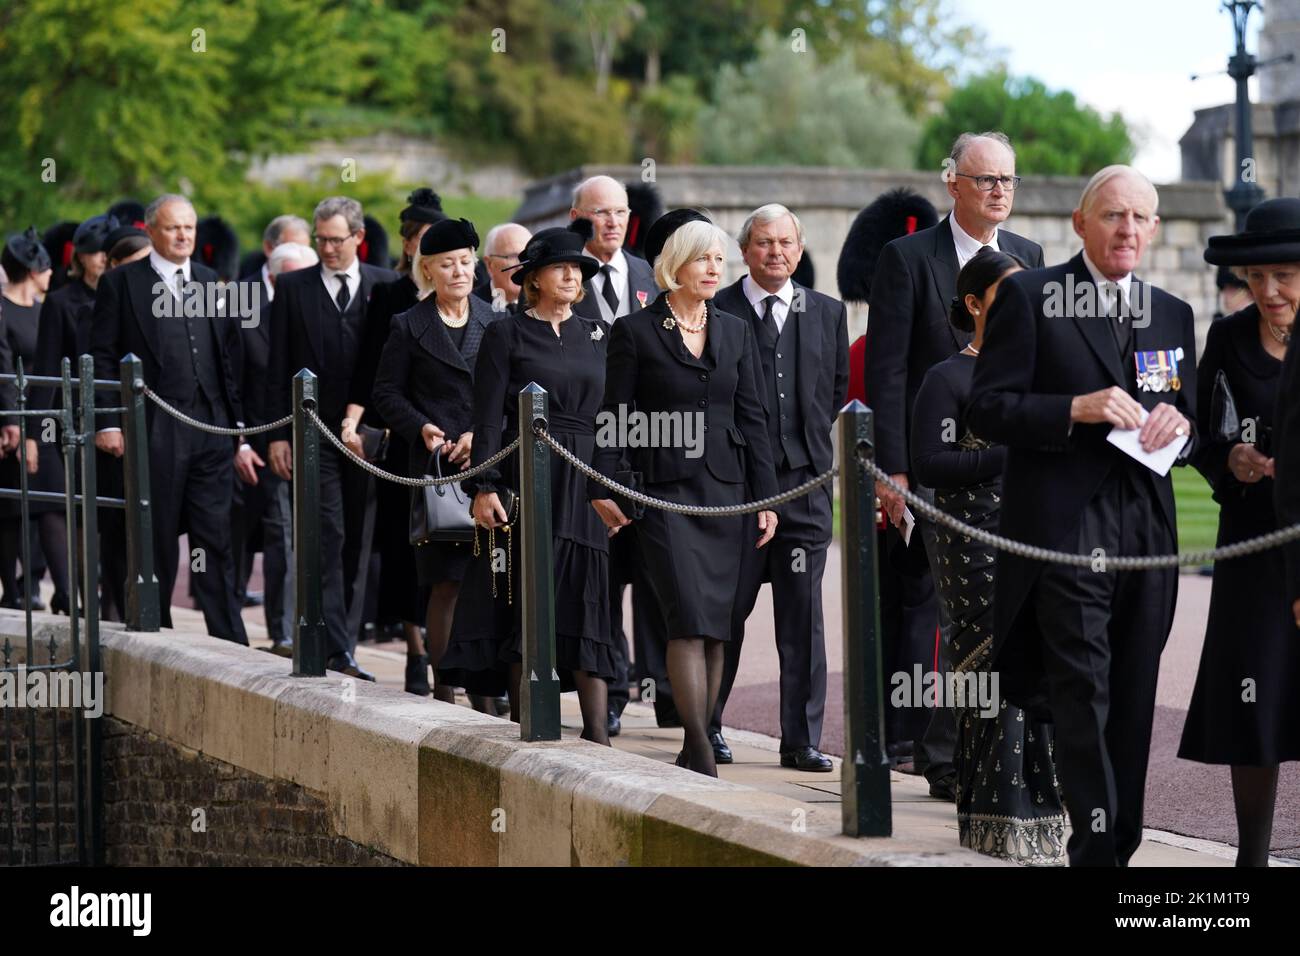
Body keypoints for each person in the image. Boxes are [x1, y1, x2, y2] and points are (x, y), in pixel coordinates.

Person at [968, 165, 1198, 867]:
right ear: (1080, 222)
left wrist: (1181, 432)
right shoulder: (1032, 297)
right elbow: (986, 408)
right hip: (1066, 529)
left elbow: (1185, 426)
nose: (1127, 229)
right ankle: (1096, 849)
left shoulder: (1171, 312)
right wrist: (1076, 407)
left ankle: (1117, 849)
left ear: (1155, 229)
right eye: (1112, 215)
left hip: (1148, 529)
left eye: (1140, 218)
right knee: (1084, 689)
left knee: (1132, 691)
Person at [866, 131, 1045, 800]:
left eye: (1008, 180)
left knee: (996, 618)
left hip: (1010, 478)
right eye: (985, 180)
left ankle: (954, 748)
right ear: (953, 185)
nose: (999, 190)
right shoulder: (906, 258)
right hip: (933, 464)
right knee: (929, 609)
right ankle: (909, 741)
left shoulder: (1028, 257)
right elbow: (887, 371)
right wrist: (894, 472)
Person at [592, 217, 779, 775]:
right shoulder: (635, 331)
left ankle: (702, 735)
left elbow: (754, 417)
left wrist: (767, 498)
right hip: (663, 495)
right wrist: (603, 487)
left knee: (719, 624)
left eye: (720, 260)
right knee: (687, 619)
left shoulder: (735, 329)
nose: (715, 269)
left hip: (728, 493)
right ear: (676, 265)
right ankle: (699, 748)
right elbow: (615, 415)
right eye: (703, 259)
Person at [911, 247, 1066, 864]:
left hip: (1036, 532)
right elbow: (931, 465)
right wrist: (1016, 451)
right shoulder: (948, 378)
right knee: (990, 667)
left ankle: (1043, 812)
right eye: (1007, 296)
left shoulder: (1044, 373)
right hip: (970, 538)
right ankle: (992, 816)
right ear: (974, 305)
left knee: (1044, 660)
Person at [439, 220, 615, 744]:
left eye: (577, 269)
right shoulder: (505, 332)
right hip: (527, 475)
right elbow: (487, 417)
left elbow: (610, 415)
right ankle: (529, 725)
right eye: (559, 267)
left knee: (587, 600)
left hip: (583, 480)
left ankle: (598, 735)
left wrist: (613, 486)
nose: (571, 276)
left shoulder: (596, 332)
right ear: (532, 278)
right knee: (524, 597)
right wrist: (485, 486)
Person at [1181, 197, 1300, 866]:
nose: (1270, 290)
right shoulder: (1227, 338)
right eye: (1256, 278)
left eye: (1284, 274)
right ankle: (1251, 858)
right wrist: (1229, 456)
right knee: (1256, 696)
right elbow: (1199, 431)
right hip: (1252, 547)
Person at [710, 203, 848, 772]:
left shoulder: (827, 313)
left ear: (800, 247)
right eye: (764, 243)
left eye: (786, 242)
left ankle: (801, 740)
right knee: (727, 612)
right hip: (738, 491)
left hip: (807, 489)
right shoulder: (717, 309)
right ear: (745, 251)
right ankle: (709, 725)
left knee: (803, 620)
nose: (776, 253)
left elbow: (835, 388)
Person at [89, 194, 249, 644]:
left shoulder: (210, 280)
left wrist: (240, 429)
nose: (184, 236)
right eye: (174, 228)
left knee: (214, 536)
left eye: (190, 228)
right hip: (154, 427)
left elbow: (227, 357)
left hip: (211, 427)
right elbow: (102, 355)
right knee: (155, 533)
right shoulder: (121, 284)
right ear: (151, 231)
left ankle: (229, 637)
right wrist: (108, 422)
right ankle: (157, 633)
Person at [266, 196, 397, 679]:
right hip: (311, 431)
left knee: (359, 540)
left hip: (366, 435)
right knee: (327, 531)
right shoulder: (295, 287)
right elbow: (277, 363)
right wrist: (277, 436)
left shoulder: (385, 286)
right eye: (320, 240)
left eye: (335, 240)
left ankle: (343, 640)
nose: (326, 249)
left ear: (358, 238)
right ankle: (331, 645)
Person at [373, 217, 499, 701]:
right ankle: (445, 690)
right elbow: (385, 392)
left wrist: (478, 434)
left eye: (466, 262)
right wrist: (420, 426)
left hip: (488, 461)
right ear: (428, 270)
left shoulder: (496, 320)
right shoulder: (409, 325)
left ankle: (487, 695)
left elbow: (508, 391)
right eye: (447, 265)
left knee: (489, 582)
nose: (459, 272)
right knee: (445, 584)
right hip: (435, 471)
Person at [569, 175, 670, 734]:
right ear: (577, 216)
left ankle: (667, 691)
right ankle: (609, 687)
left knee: (656, 577)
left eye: (621, 212)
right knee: (601, 581)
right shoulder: (561, 276)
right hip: (584, 450)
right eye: (600, 213)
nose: (612, 222)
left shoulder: (646, 277)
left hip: (646, 450)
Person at [344, 189, 443, 689]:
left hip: (454, 443)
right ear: (407, 246)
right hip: (403, 439)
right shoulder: (389, 295)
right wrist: (352, 420)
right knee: (406, 548)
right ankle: (415, 649)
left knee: (451, 545)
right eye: (423, 242)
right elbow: (369, 365)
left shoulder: (473, 299)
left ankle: (447, 650)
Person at [232, 238, 317, 656]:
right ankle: (282, 633)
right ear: (274, 276)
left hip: (318, 440)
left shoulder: (318, 313)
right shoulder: (248, 317)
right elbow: (232, 380)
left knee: (312, 536)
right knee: (278, 535)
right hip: (265, 443)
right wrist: (242, 439)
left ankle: (315, 630)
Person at [0, 227, 66, 612]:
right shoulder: (2, 310)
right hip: (11, 419)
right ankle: (11, 588)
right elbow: (3, 368)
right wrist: (9, 420)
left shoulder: (47, 311)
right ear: (32, 267)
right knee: (10, 510)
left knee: (50, 501)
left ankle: (57, 589)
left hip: (44, 419)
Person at [473, 223, 531, 314]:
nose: (521, 266)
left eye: (527, 256)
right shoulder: (470, 306)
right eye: (513, 256)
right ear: (490, 264)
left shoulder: (544, 304)